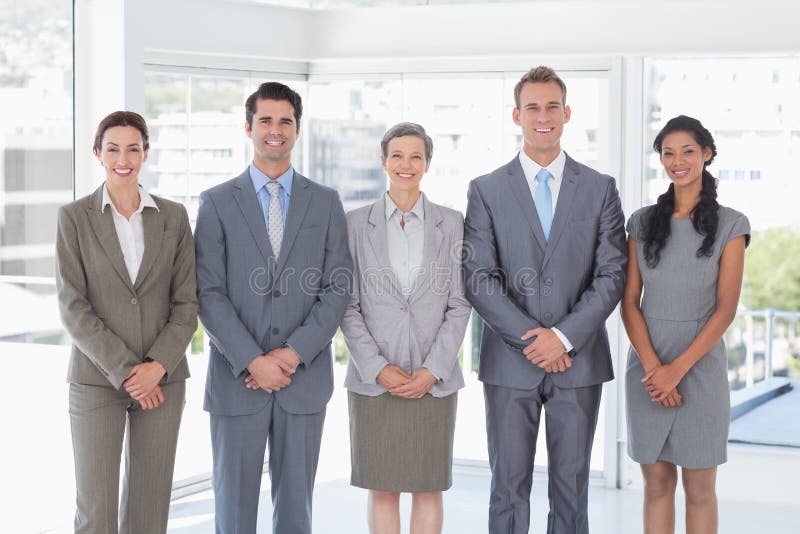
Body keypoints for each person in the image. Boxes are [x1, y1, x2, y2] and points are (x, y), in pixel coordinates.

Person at [463, 66, 627, 534]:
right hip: (510, 365)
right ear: (517, 115)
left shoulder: (600, 188)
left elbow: (612, 274)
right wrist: (533, 340)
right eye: (532, 107)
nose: (543, 116)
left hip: (579, 363)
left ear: (567, 113)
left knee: (571, 490)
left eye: (552, 106)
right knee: (507, 490)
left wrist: (563, 338)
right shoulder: (486, 189)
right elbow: (478, 277)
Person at [194, 81, 353, 534]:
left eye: (285, 121)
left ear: (297, 129)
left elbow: (337, 287)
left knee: (297, 511)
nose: (275, 130)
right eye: (265, 120)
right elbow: (209, 293)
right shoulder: (217, 203)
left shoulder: (325, 202)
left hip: (302, 381)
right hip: (235, 380)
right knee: (234, 511)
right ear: (249, 127)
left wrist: (291, 354)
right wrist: (253, 360)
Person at [55, 111, 197, 533]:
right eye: (112, 148)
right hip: (97, 381)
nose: (123, 158)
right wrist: (130, 372)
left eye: (133, 148)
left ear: (145, 154)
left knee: (149, 512)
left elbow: (186, 303)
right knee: (96, 512)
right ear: (97, 153)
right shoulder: (74, 218)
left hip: (164, 381)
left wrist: (157, 367)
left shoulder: (173, 217)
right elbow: (73, 308)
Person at [341, 122, 471, 534]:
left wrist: (433, 369)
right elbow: (347, 305)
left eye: (416, 156)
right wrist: (378, 367)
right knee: (381, 489)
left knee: (429, 487)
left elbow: (460, 302)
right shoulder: (355, 223)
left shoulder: (452, 223)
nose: (406, 164)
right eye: (397, 155)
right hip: (374, 381)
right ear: (383, 162)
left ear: (427, 163)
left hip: (433, 381)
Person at [622, 115, 749, 534]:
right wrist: (655, 370)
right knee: (656, 485)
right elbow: (629, 304)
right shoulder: (641, 222)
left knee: (699, 489)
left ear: (707, 154)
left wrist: (675, 371)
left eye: (688, 151)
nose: (677, 161)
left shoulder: (731, 224)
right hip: (647, 372)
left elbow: (725, 310)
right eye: (668, 153)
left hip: (700, 373)